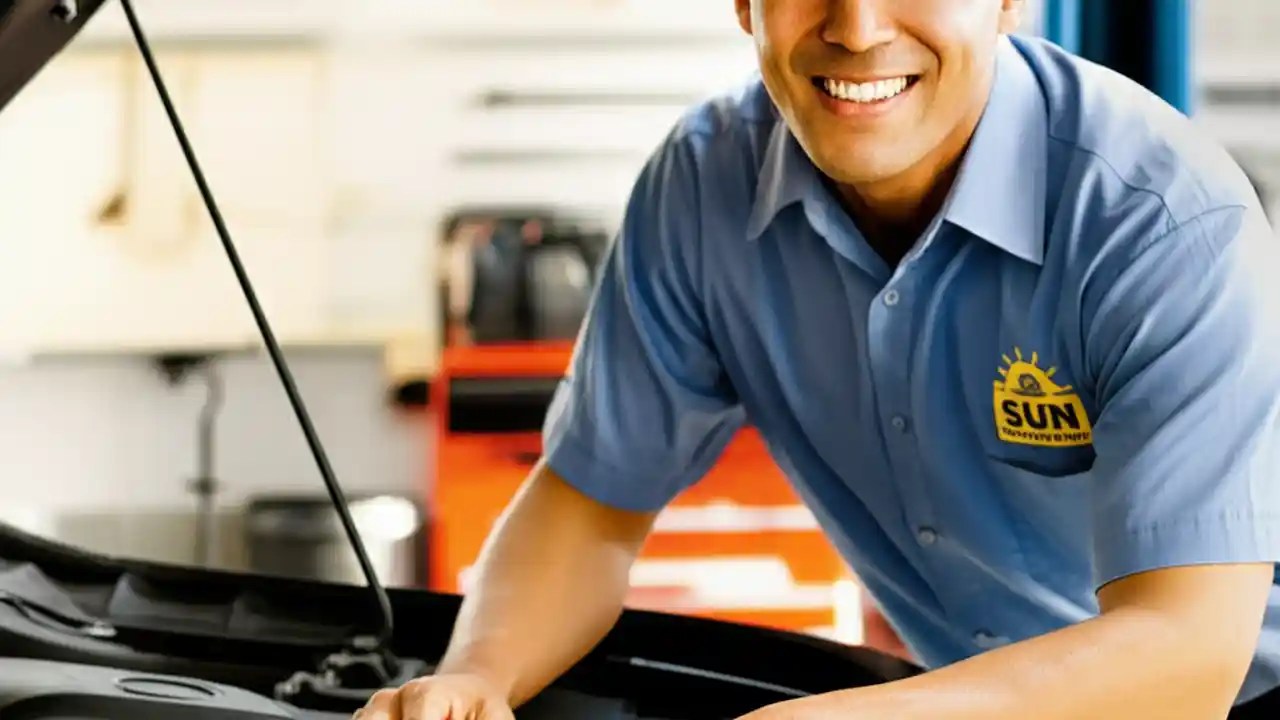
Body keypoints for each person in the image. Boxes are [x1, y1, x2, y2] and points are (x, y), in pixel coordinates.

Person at [358, 1, 1280, 718]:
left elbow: (1188, 657)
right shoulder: (702, 187)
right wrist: (480, 674)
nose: (858, 28)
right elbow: (588, 502)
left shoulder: (1163, 224)